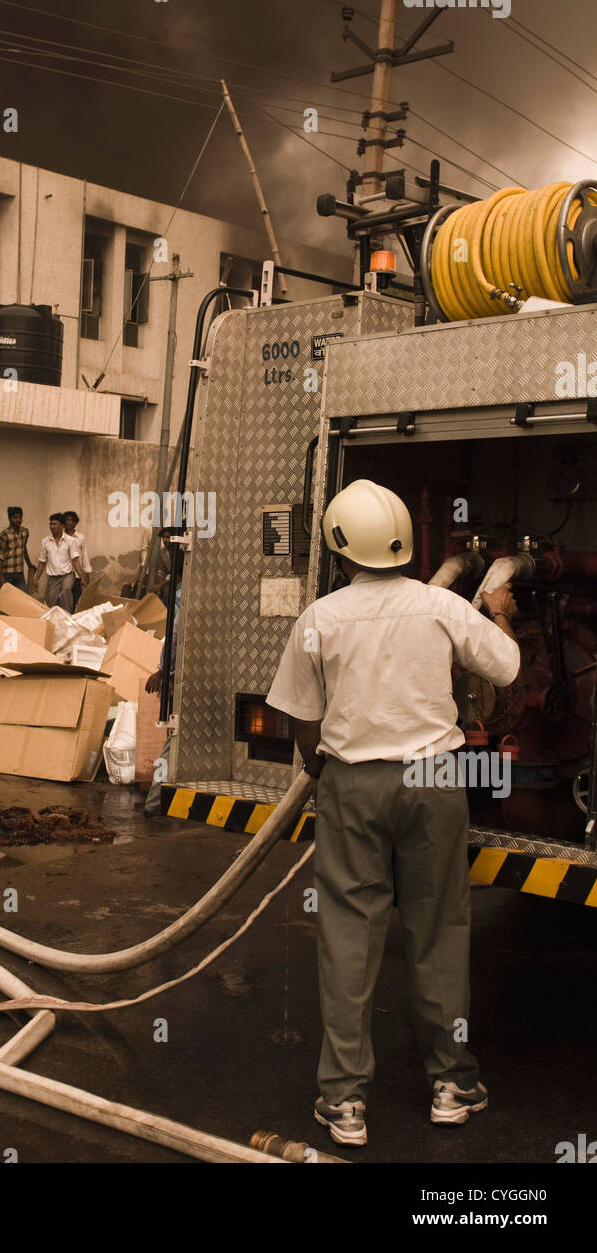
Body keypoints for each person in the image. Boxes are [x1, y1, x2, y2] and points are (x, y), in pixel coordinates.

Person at [265, 479, 521, 1149]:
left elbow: (302, 716)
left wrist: (321, 767)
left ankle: (344, 1101)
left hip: (353, 784)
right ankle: (452, 1084)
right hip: (435, 781)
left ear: (339, 548)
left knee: (350, 936)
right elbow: (508, 670)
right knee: (440, 931)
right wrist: (499, 613)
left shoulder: (319, 618)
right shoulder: (441, 605)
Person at [143, 582, 181, 816]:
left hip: (184, 682)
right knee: (174, 741)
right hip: (190, 682)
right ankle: (155, 802)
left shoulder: (187, 595)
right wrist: (164, 671)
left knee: (174, 740)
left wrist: (163, 671)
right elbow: (174, 636)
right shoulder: (189, 595)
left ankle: (156, 802)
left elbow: (174, 637)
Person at [34, 513, 84, 613]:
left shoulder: (71, 541)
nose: (52, 526)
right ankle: (55, 618)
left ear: (62, 526)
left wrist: (82, 577)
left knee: (65, 591)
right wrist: (37, 578)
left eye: (55, 524)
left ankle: (67, 616)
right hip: (53, 578)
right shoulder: (45, 542)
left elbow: (75, 560)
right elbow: (42, 561)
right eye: (50, 524)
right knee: (51, 601)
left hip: (68, 575)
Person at [0, 506, 35, 592]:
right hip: (7, 573)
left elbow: (24, 549)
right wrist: (0, 576)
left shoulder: (25, 532)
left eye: (20, 517)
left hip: (19, 572)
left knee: (22, 596)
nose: (18, 520)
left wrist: (29, 564)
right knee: (7, 597)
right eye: (15, 517)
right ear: (9, 518)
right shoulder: (4, 535)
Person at [62, 511, 91, 598]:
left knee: (76, 598)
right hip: (63, 574)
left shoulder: (81, 537)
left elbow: (84, 556)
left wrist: (86, 573)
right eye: (65, 520)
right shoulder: (60, 537)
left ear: (75, 523)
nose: (66, 522)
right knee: (64, 599)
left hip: (77, 575)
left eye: (68, 520)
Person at [149, 528, 173, 603]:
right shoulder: (163, 551)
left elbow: (176, 573)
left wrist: (160, 585)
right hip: (168, 581)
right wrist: (158, 587)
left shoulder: (179, 551)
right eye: (163, 537)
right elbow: (162, 571)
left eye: (168, 537)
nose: (165, 540)